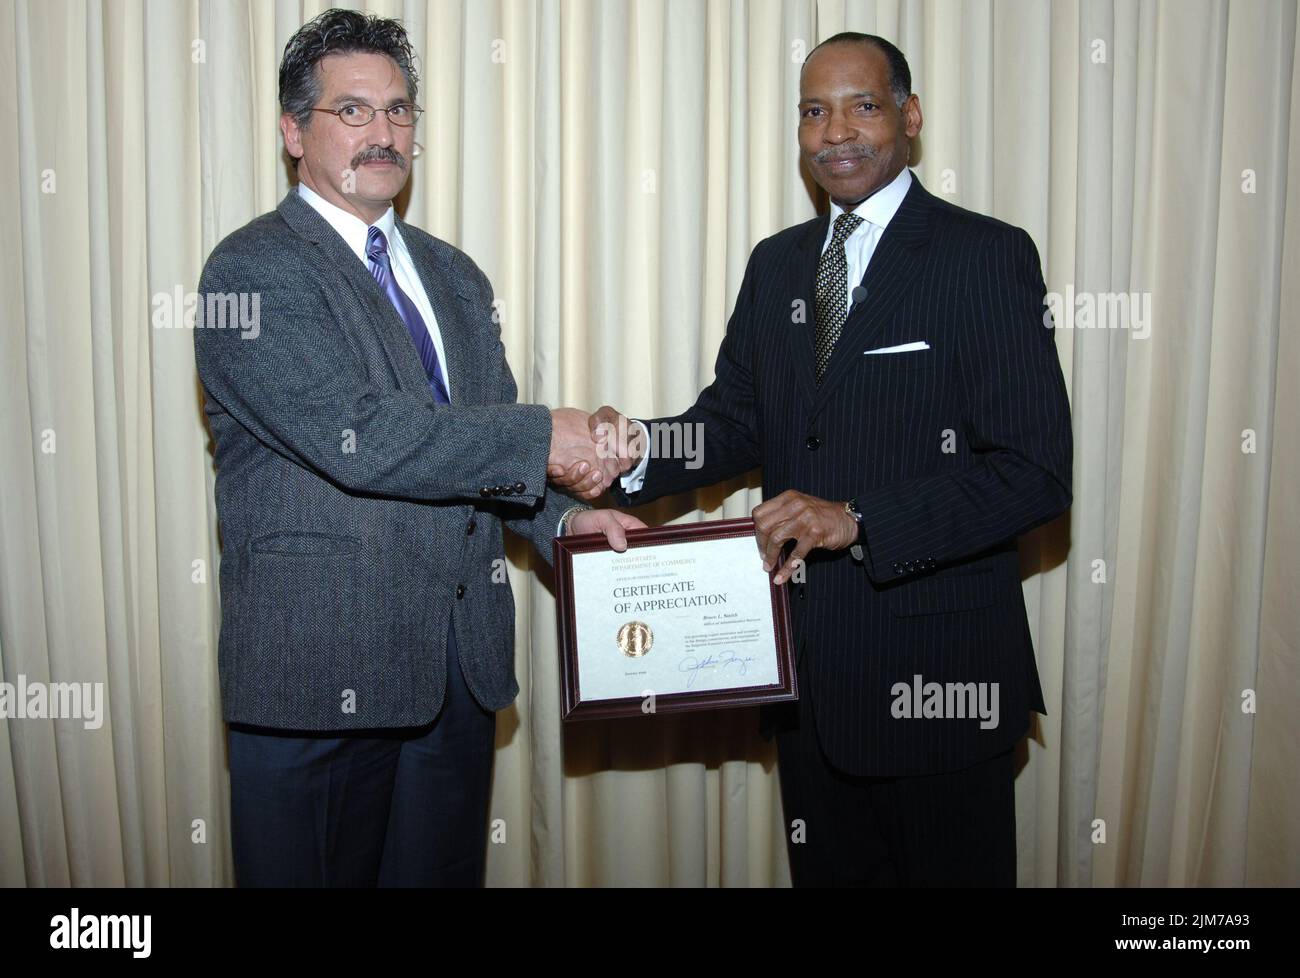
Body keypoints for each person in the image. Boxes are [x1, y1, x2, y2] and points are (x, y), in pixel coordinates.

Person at [563, 32, 1073, 886]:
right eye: (813, 111)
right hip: (803, 682)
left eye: (862, 105)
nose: (836, 130)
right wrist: (637, 448)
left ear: (909, 116)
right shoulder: (777, 266)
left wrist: (861, 521)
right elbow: (733, 423)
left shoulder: (984, 255)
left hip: (941, 686)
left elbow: (1034, 471)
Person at [194, 7, 637, 887]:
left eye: (398, 111)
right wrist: (546, 430)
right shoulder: (247, 272)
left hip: (455, 673)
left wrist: (567, 528)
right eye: (352, 111)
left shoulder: (453, 272)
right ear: (292, 130)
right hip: (317, 675)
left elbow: (482, 443)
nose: (383, 132)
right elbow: (363, 438)